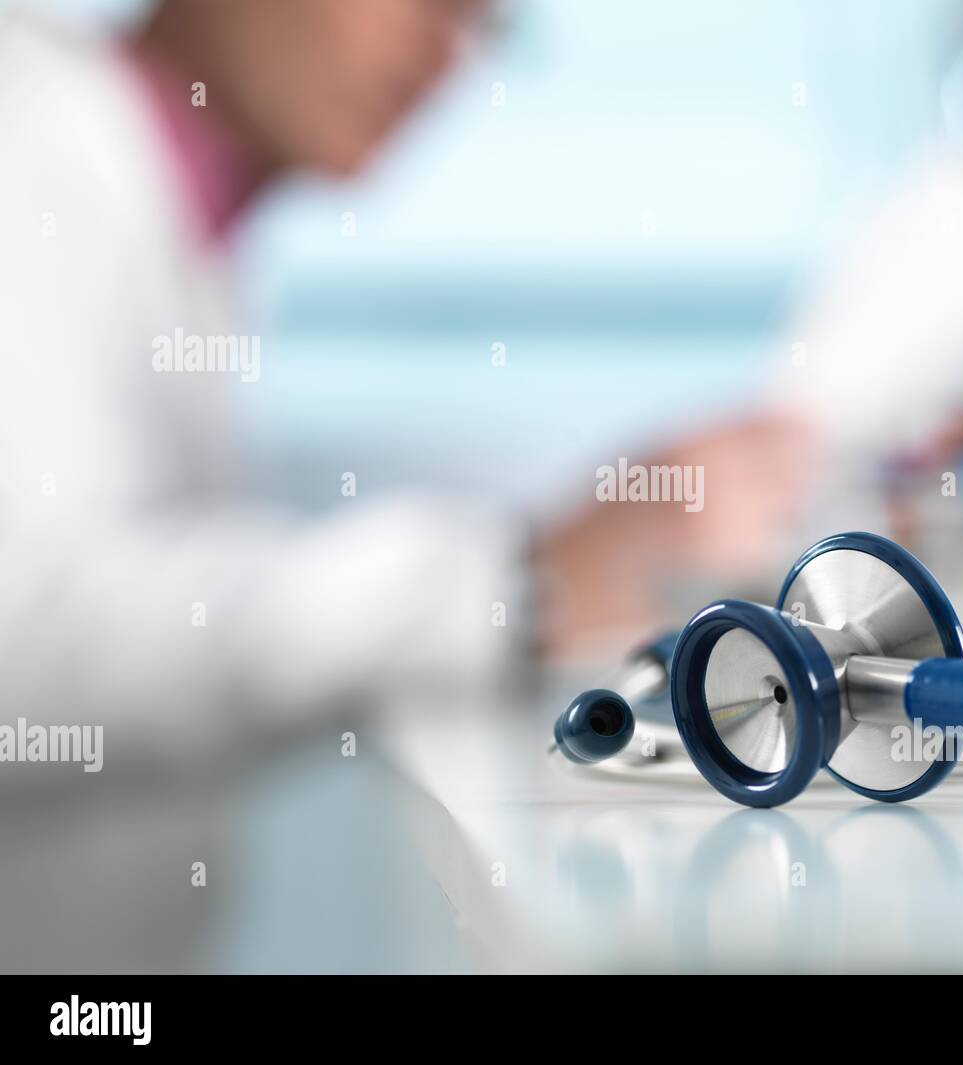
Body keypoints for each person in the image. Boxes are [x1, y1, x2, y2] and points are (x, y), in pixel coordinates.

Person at [0, 0, 812, 758]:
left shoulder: (176, 219)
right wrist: (515, 584)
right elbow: (30, 647)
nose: (442, 49)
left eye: (476, 16)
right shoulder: (24, 145)